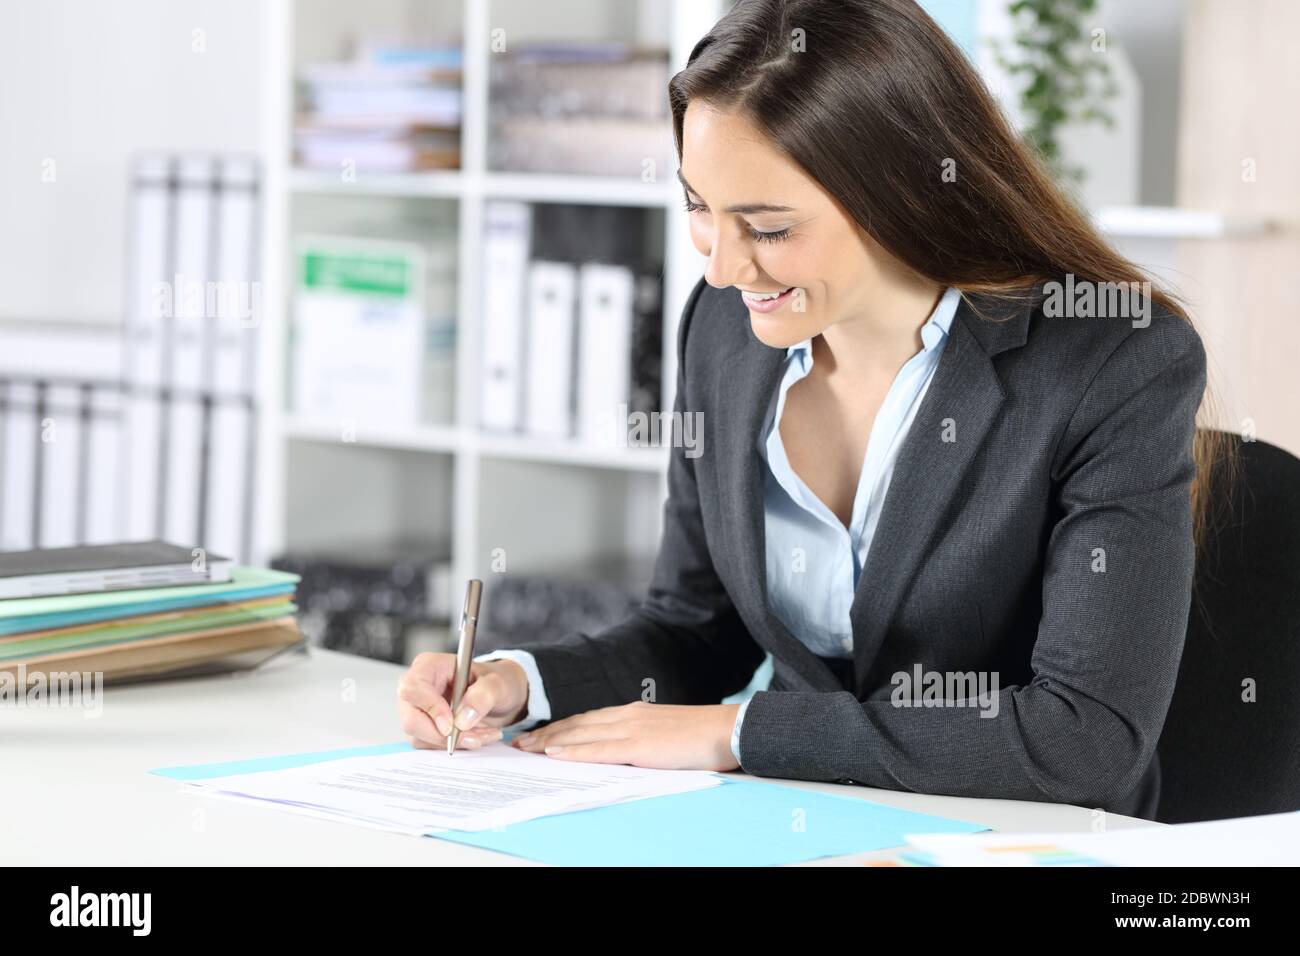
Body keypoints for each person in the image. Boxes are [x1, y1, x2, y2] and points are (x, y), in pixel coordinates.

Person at [396, 0, 1233, 819]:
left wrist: (745, 733)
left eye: (766, 227)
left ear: (905, 191)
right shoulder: (724, 334)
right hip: (799, 826)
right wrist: (517, 682)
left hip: (1022, 838)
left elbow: (1082, 739)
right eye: (698, 208)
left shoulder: (1116, 361)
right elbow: (695, 629)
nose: (722, 268)